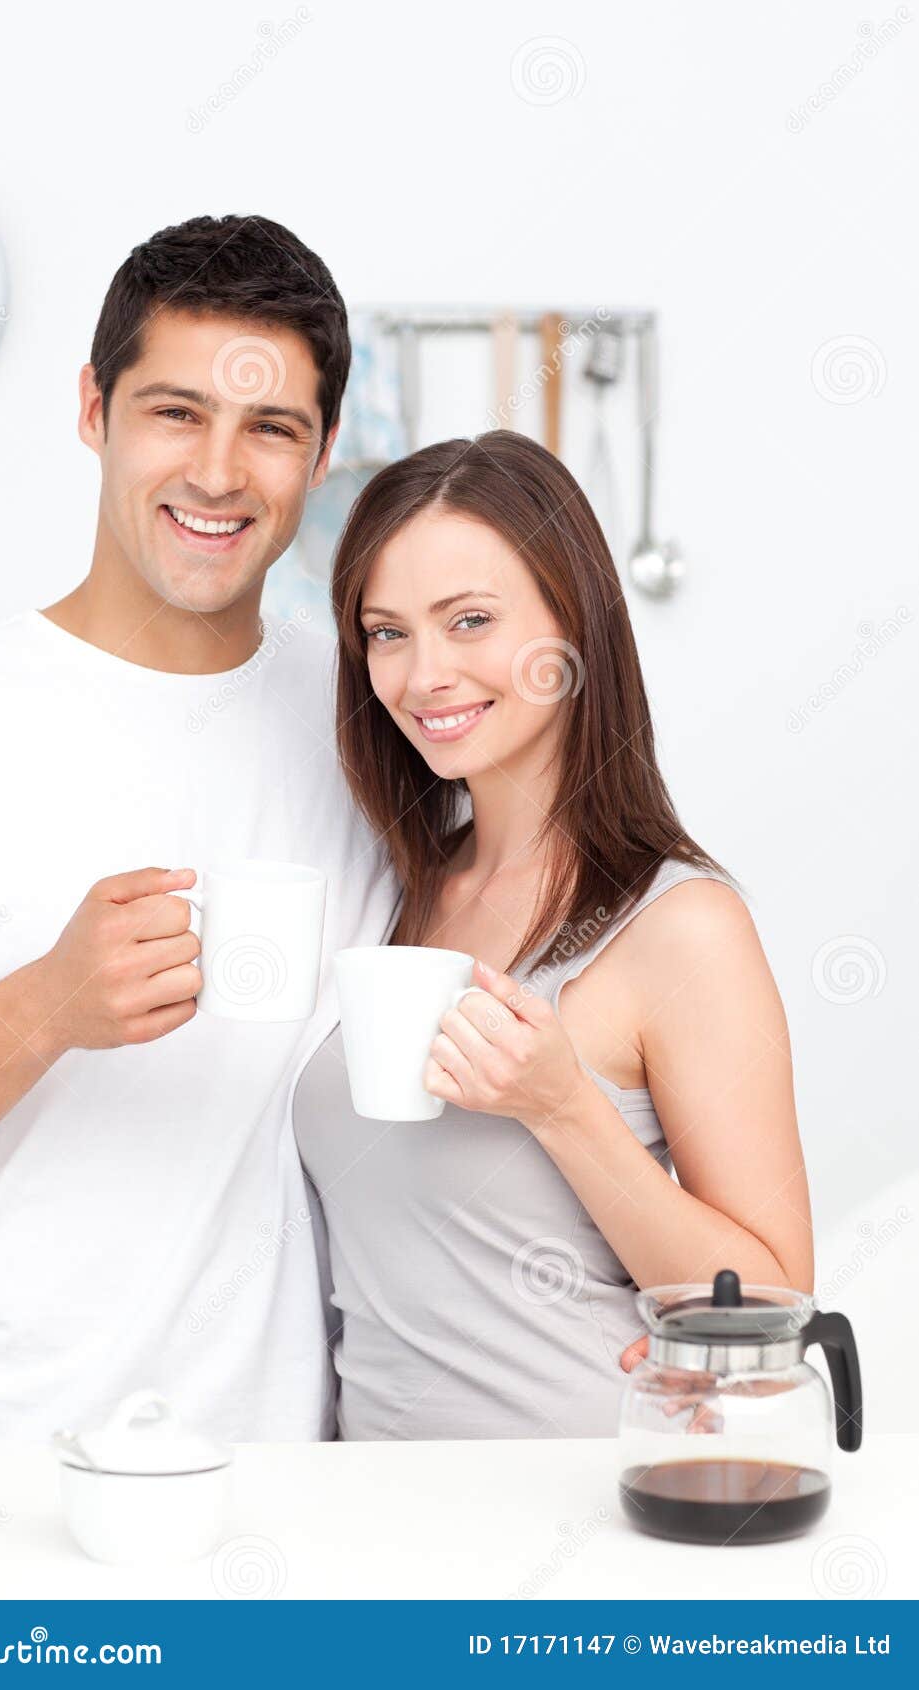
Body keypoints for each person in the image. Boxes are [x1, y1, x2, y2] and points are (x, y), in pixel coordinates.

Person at [0, 214, 396, 1444]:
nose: (218, 472)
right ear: (93, 411)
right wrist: (46, 1007)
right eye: (176, 412)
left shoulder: (376, 726)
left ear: (322, 453)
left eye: (270, 427)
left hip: (293, 1478)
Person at [293, 430, 813, 1439]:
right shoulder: (393, 895)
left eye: (470, 620)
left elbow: (771, 1310)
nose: (423, 674)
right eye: (387, 633)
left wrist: (564, 1107)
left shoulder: (681, 927)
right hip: (368, 1503)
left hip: (581, 1500)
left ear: (571, 624)